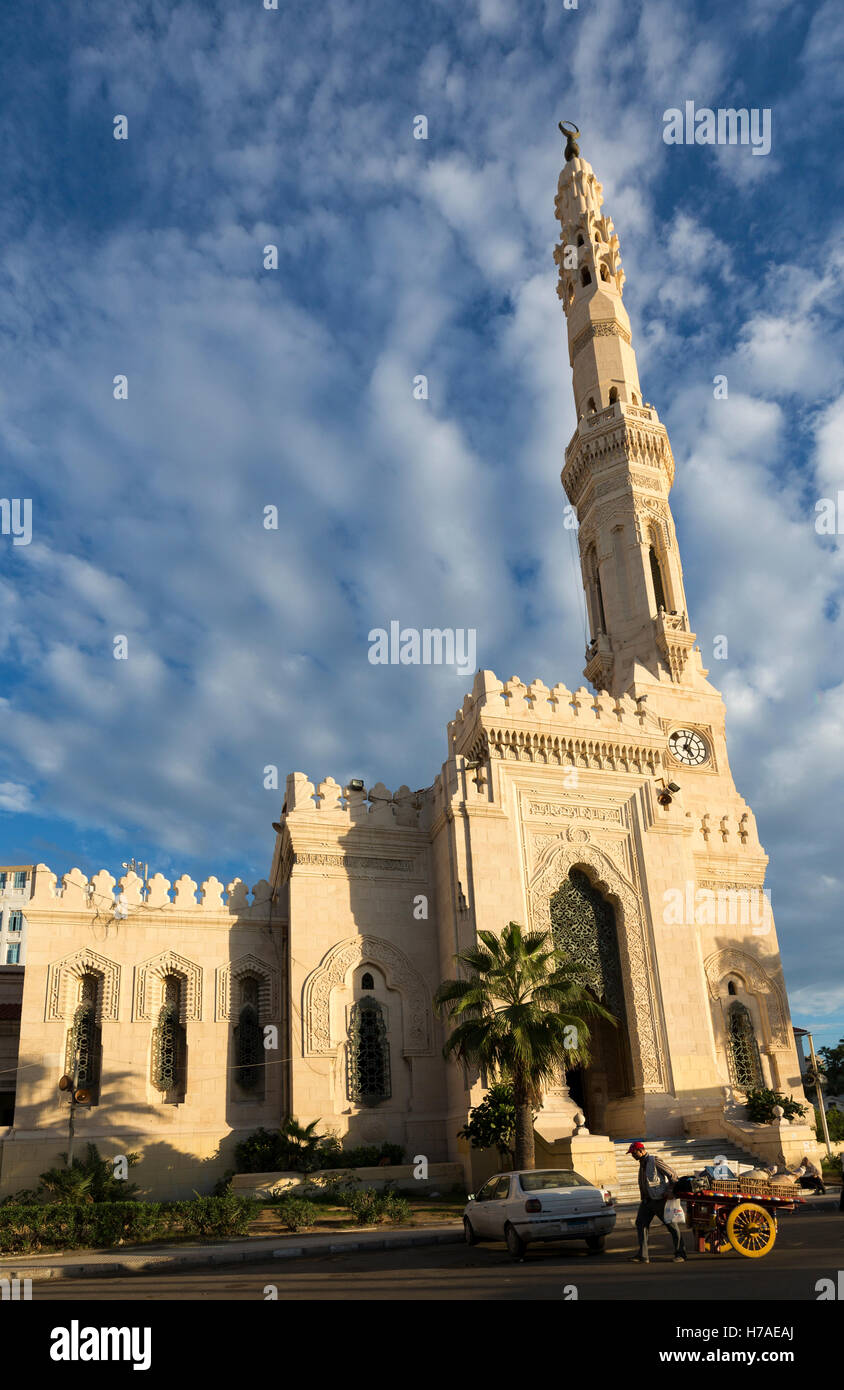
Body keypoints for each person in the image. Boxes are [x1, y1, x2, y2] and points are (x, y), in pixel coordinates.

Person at [627, 1140, 686, 1263]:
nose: (633, 1156)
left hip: (660, 1200)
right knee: (641, 1224)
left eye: (634, 1153)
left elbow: (673, 1175)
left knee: (672, 1226)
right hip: (647, 1201)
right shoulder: (642, 1163)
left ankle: (680, 1253)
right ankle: (643, 1255)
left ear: (641, 1151)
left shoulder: (654, 1160)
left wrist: (670, 1190)